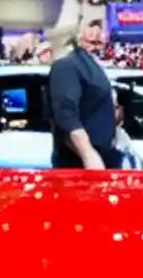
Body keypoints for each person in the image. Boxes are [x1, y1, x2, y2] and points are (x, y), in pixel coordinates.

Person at [48, 20, 120, 170]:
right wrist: (88, 154)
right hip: (80, 161)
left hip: (102, 155)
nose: (97, 34)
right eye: (90, 29)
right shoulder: (67, 65)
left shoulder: (91, 66)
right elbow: (66, 114)